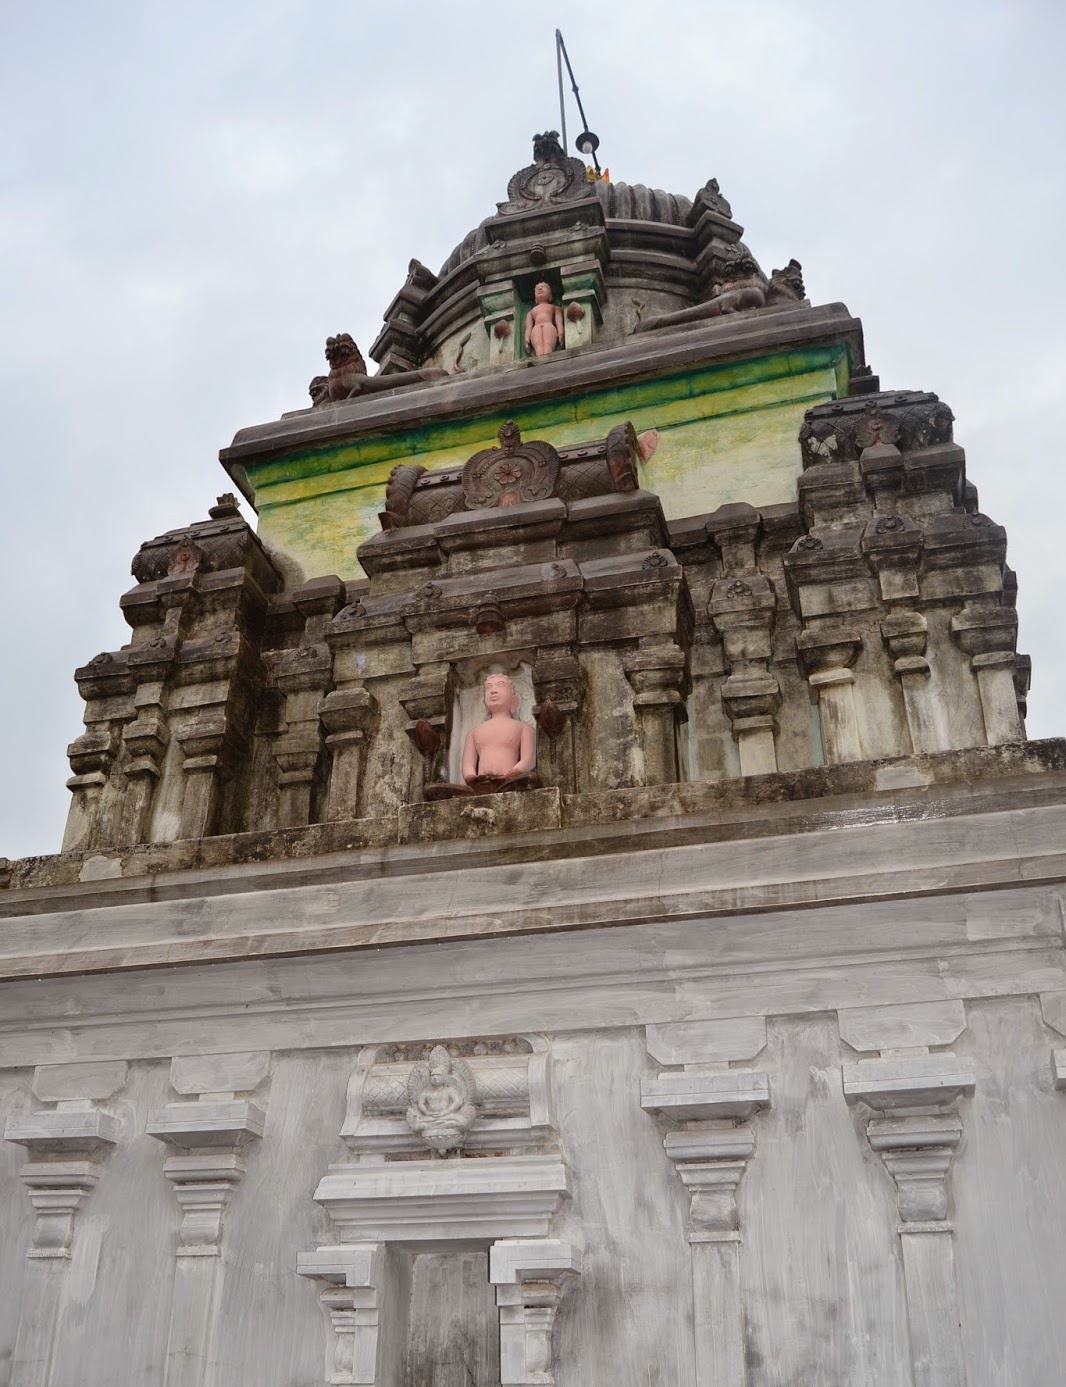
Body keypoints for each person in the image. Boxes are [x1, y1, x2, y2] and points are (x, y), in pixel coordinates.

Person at [461, 674, 536, 785]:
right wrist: (472, 778)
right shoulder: (473, 732)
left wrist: (508, 777)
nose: (493, 691)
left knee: (532, 778)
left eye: (501, 685)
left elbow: (528, 760)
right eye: (488, 688)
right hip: (481, 784)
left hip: (511, 782)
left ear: (514, 700)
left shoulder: (524, 728)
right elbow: (467, 765)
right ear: (484, 702)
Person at [524, 282, 564, 357]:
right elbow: (528, 327)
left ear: (550, 295)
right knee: (538, 347)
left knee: (548, 345)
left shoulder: (554, 307)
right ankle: (539, 361)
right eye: (537, 289)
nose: (540, 289)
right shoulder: (531, 312)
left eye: (543, 287)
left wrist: (560, 332)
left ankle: (548, 361)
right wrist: (526, 339)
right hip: (536, 328)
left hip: (548, 326)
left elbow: (559, 321)